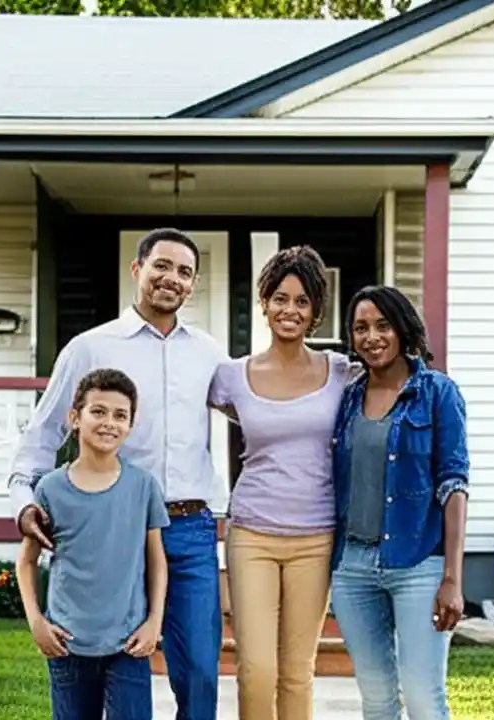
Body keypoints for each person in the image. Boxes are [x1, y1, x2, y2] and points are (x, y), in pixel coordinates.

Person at [8, 228, 228, 720]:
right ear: (138, 270)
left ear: (192, 285)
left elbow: (258, 405)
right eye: (162, 266)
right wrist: (23, 502)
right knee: (117, 657)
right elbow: (43, 434)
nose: (172, 278)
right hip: (117, 527)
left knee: (199, 669)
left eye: (185, 272)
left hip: (189, 527)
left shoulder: (210, 354)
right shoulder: (90, 348)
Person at [207, 246, 353, 719]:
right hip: (252, 534)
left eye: (303, 301)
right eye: (281, 298)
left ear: (315, 312)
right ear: (264, 303)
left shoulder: (339, 373)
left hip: (316, 536)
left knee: (297, 672)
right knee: (256, 668)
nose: (290, 309)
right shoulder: (231, 376)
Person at [328, 285, 470, 720]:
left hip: (418, 565)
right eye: (360, 328)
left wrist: (452, 578)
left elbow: (454, 485)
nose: (372, 337)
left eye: (382, 325)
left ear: (402, 328)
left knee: (424, 697)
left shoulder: (437, 392)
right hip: (352, 568)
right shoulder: (348, 396)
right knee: (377, 698)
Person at [17, 368, 170, 720]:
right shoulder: (50, 490)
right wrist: (36, 621)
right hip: (67, 643)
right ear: (75, 418)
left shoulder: (143, 486)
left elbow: (157, 561)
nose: (109, 423)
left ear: (130, 425)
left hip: (128, 643)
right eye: (98, 411)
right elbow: (26, 562)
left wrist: (154, 622)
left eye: (120, 415)